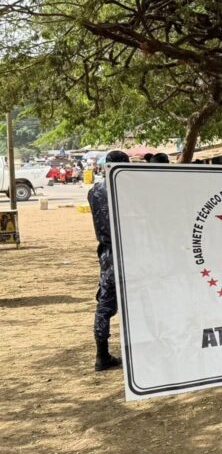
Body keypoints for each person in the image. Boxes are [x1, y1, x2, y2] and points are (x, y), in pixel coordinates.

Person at [88, 150, 131, 371]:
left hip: (106, 254)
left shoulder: (94, 191)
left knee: (105, 304)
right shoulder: (130, 190)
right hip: (131, 252)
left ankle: (101, 355)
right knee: (140, 302)